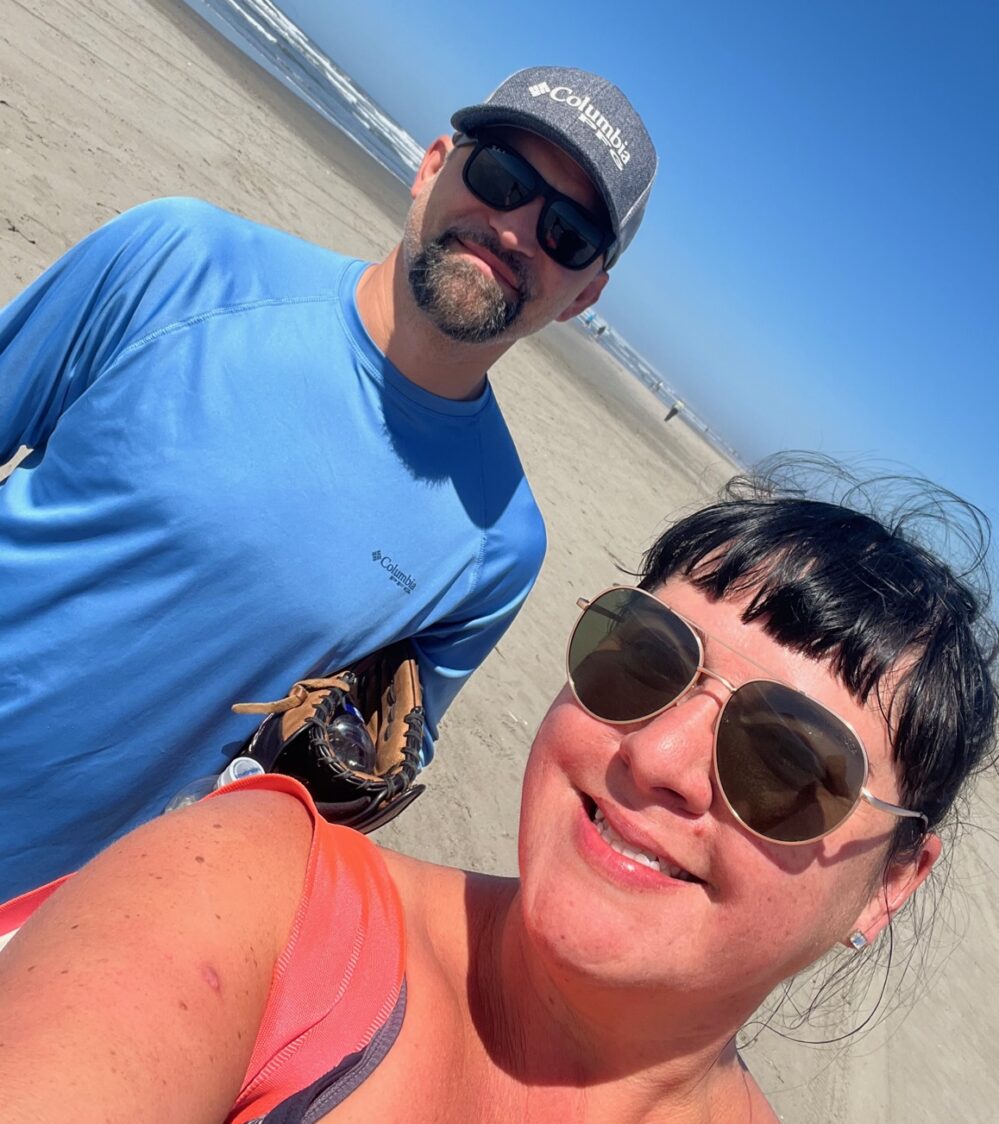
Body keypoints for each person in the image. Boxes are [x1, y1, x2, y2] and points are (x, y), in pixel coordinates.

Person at [0, 468, 993, 1121]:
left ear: (889, 882)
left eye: (784, 759)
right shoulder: (255, 895)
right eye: (645, 660)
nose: (659, 758)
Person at [0, 66, 658, 900]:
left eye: (564, 231)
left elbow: (333, 789)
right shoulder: (180, 259)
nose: (514, 231)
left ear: (582, 296)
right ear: (432, 166)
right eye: (501, 176)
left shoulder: (499, 542)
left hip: (59, 920)